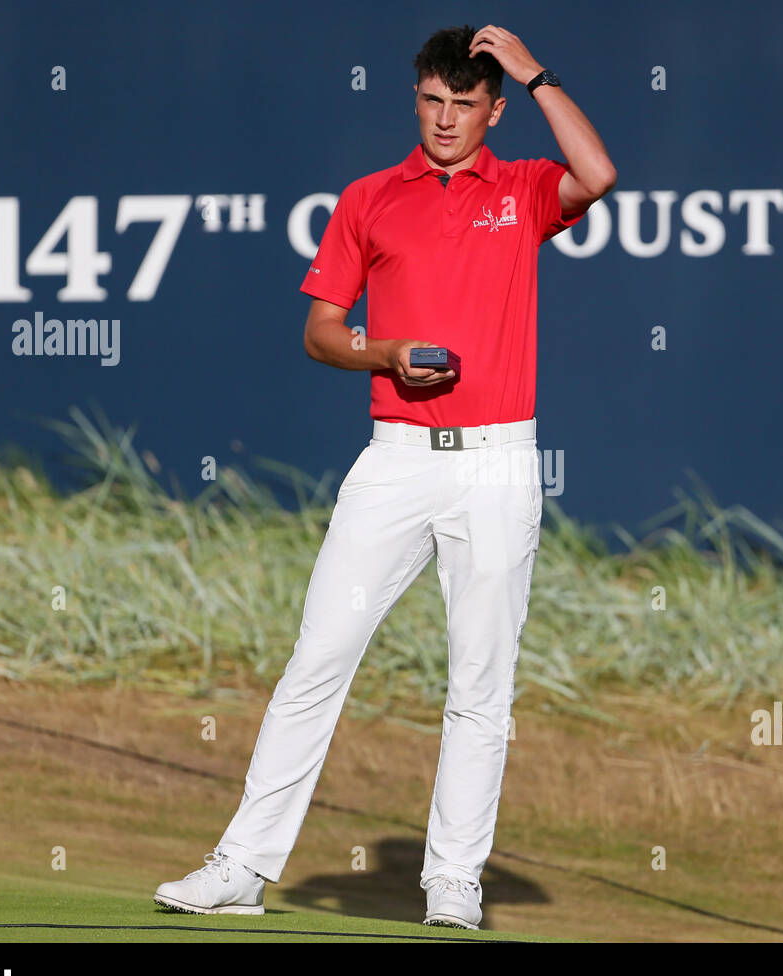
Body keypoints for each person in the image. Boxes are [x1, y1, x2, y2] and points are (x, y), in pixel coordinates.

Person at [154, 22, 615, 930]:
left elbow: (597, 174)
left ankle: (453, 880)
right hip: (396, 460)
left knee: (480, 685)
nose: (445, 120)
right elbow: (322, 330)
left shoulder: (521, 190)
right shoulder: (371, 198)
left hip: (496, 461)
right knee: (317, 659)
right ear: (418, 99)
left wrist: (532, 72)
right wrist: (387, 352)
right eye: (432, 101)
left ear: (492, 110)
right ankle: (243, 866)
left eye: (465, 104)